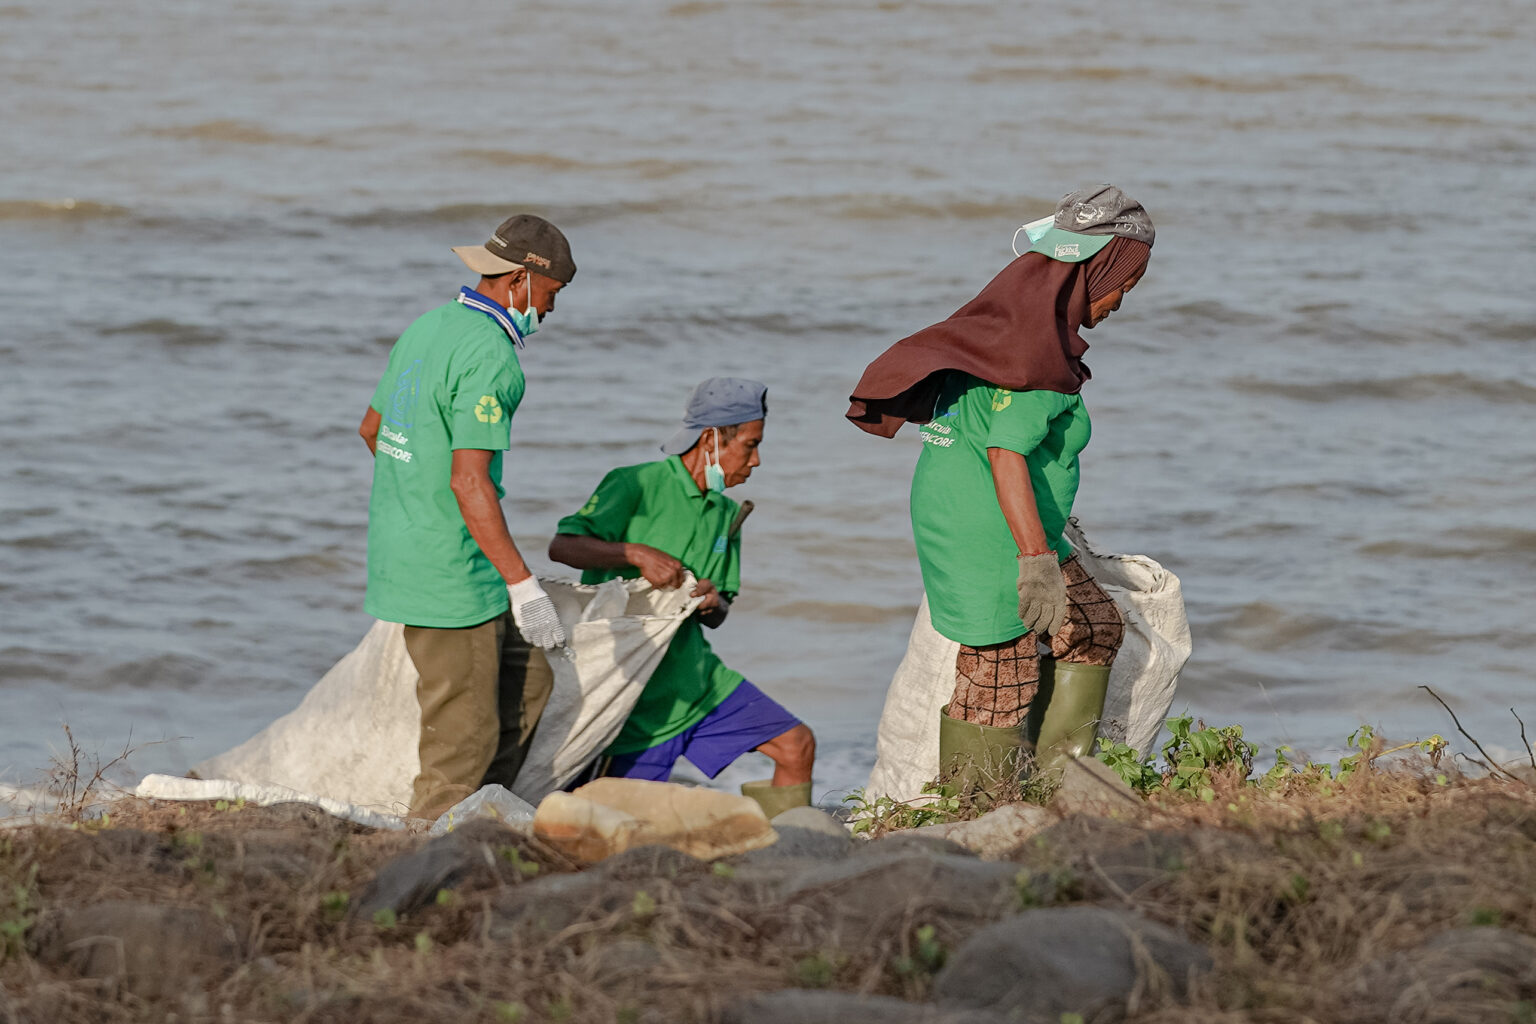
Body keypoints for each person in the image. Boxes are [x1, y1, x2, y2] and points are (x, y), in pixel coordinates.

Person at [847, 184, 1154, 787]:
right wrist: (1035, 559)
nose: (1121, 301)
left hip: (963, 516)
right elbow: (1005, 452)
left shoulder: (995, 336)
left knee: (1093, 627)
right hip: (998, 536)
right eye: (1124, 285)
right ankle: (975, 819)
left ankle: (1057, 786)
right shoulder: (1034, 365)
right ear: (1092, 274)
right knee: (996, 680)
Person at [359, 213, 576, 819]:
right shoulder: (491, 356)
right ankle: (429, 850)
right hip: (451, 570)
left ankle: (481, 820)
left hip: (411, 550)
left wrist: (416, 498)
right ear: (521, 282)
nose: (552, 311)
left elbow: (373, 429)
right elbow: (469, 481)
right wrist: (523, 584)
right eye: (553, 295)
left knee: (530, 682)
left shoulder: (428, 328)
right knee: (464, 737)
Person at [548, 378, 816, 818]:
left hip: (697, 679)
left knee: (796, 745)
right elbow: (562, 546)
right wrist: (634, 553)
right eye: (750, 446)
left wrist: (714, 602)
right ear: (711, 438)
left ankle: (785, 855)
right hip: (631, 695)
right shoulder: (635, 484)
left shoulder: (728, 512)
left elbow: (719, 613)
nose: (757, 460)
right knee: (611, 824)